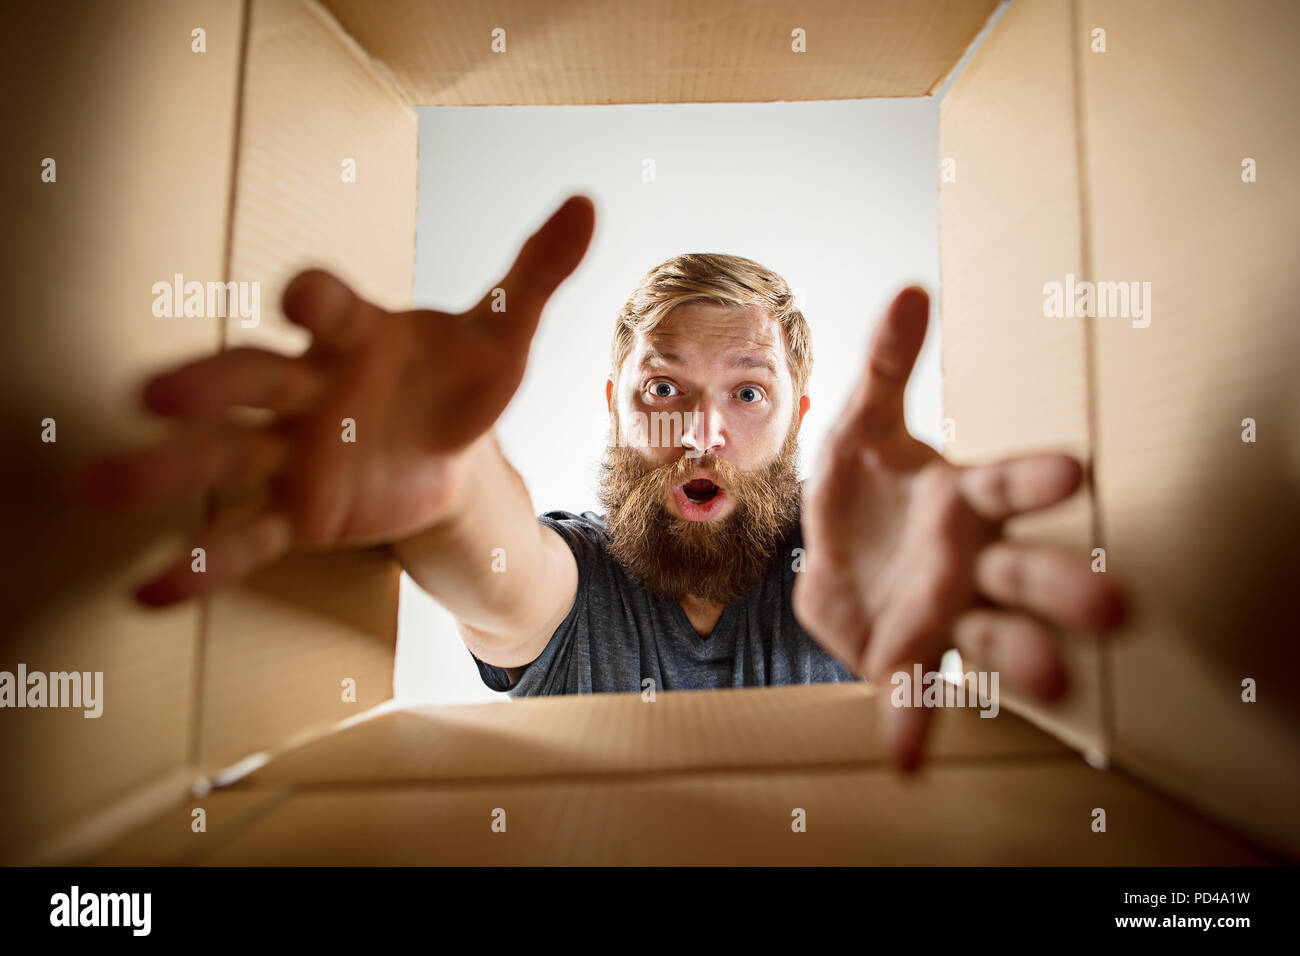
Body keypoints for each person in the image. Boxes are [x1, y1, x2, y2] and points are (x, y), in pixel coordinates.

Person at [80, 195, 1126, 770]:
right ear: (616, 404)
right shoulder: (574, 579)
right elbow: (502, 571)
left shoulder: (859, 570)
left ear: (802, 417)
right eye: (664, 385)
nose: (700, 429)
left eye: (748, 392)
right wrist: (445, 485)